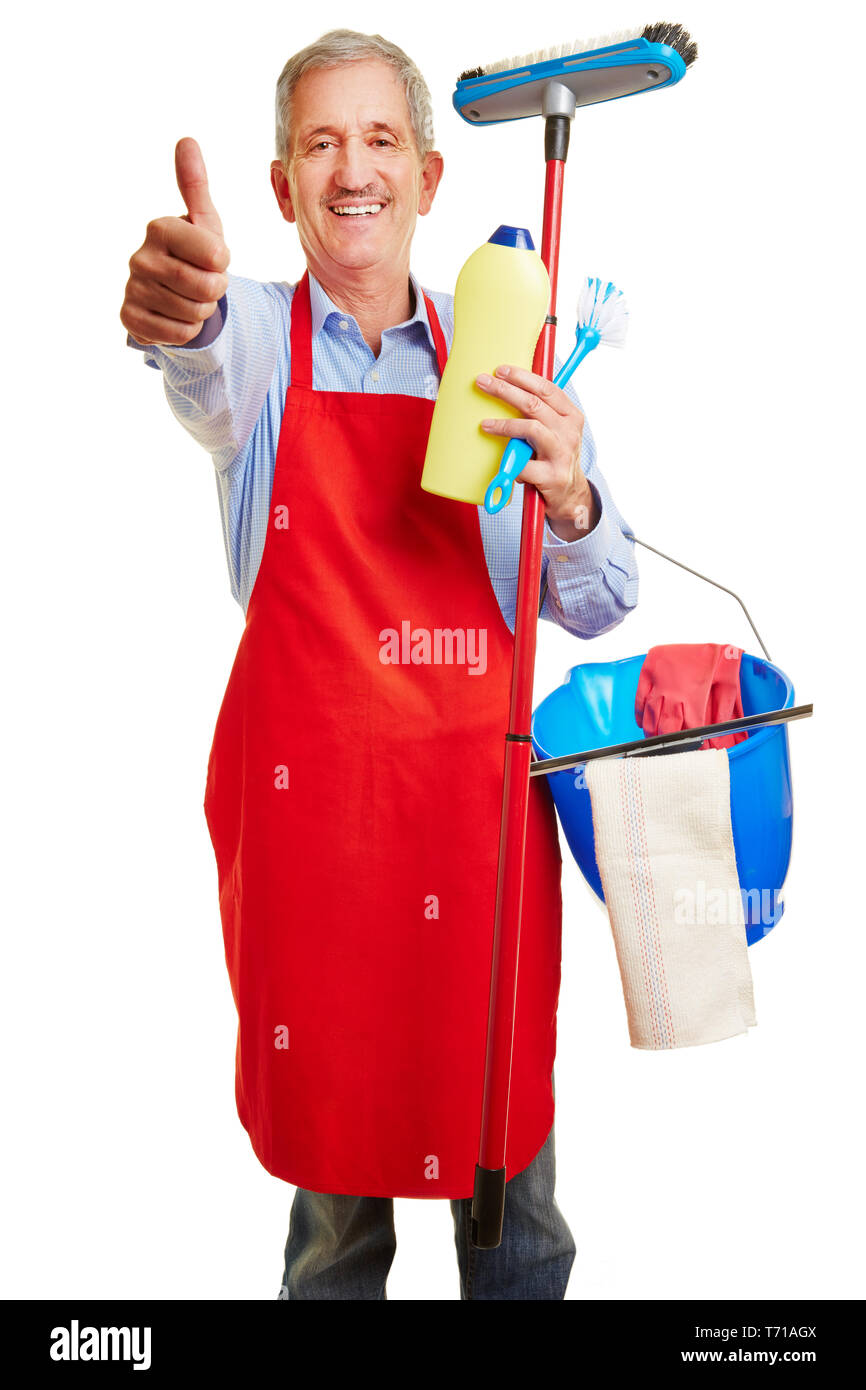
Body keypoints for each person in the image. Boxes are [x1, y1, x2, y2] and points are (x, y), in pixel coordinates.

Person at [121, 28, 638, 1301]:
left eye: (378, 138)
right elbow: (185, 353)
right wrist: (172, 306)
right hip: (317, 842)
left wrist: (568, 491)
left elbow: (605, 596)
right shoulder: (248, 344)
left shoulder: (504, 351)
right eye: (318, 144)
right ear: (285, 185)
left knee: (508, 1194)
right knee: (336, 1208)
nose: (350, 168)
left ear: (426, 177)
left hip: (475, 834)